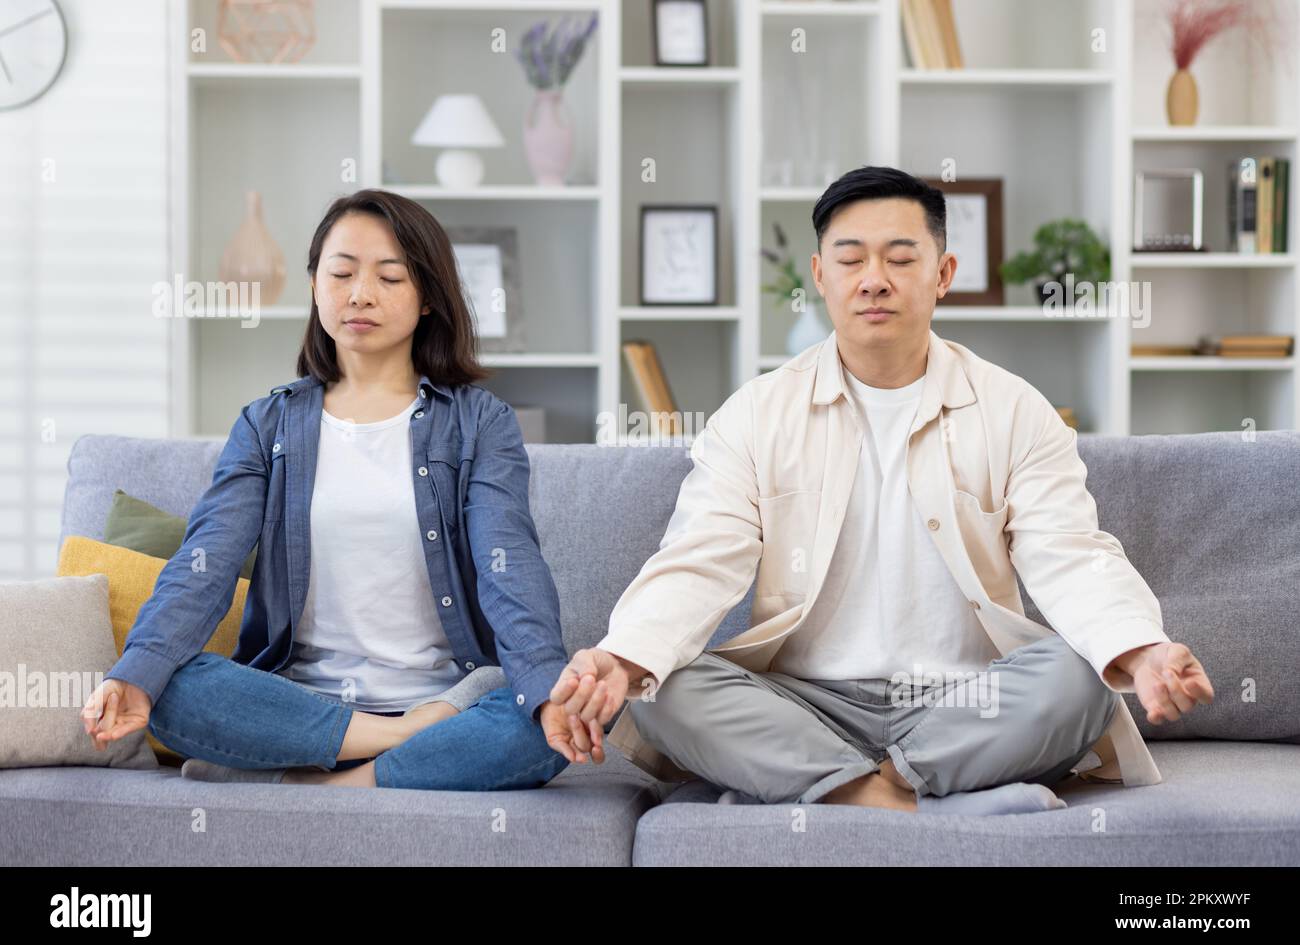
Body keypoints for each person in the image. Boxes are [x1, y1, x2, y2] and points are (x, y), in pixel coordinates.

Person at [549, 165, 1214, 813]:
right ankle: (915, 800)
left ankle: (838, 788)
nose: (874, 280)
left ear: (943, 275)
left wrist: (1141, 647)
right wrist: (619, 655)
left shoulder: (1015, 409)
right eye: (850, 260)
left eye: (901, 258)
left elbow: (1070, 551)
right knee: (664, 688)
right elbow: (700, 557)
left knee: (1078, 679)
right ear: (819, 276)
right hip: (805, 701)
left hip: (965, 699)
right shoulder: (755, 414)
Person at [81, 188, 595, 788]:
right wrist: (135, 673)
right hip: (299, 706)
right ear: (315, 286)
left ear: (427, 296)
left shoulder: (480, 423)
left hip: (447, 697)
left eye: (390, 277)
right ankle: (400, 747)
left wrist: (544, 684)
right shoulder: (266, 424)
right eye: (342, 272)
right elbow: (205, 565)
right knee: (172, 688)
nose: (361, 294)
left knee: (555, 720)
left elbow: (510, 569)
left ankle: (329, 784)